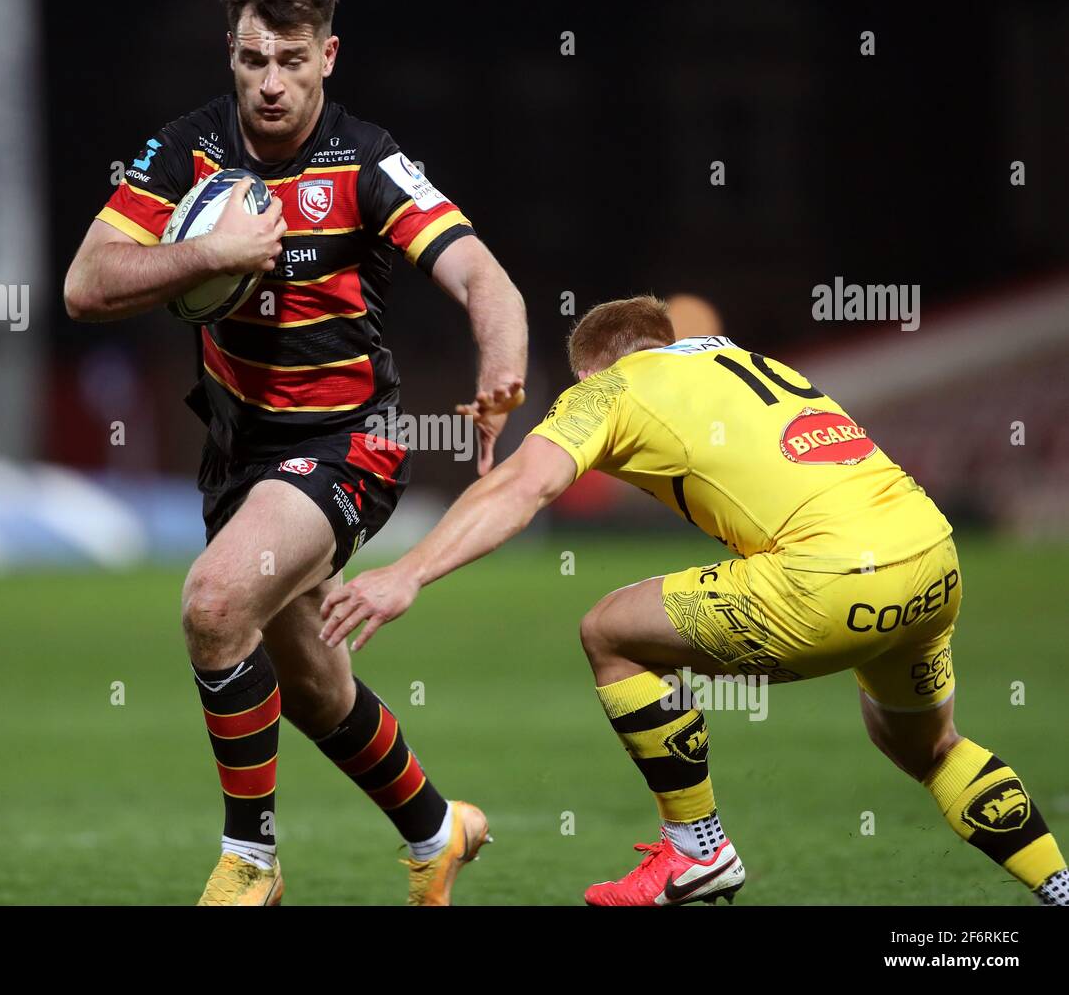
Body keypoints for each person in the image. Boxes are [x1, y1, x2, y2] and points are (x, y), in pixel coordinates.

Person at [320, 295, 1069, 907]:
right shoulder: (748, 362)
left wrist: (408, 571)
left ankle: (697, 853)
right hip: (931, 559)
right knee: (928, 746)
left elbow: (522, 487)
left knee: (609, 630)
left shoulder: (612, 389)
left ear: (597, 368)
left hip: (830, 581)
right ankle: (1058, 886)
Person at [63, 0, 527, 905]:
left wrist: (501, 369)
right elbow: (86, 284)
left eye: (290, 60)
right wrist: (216, 253)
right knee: (314, 686)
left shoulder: (367, 160)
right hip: (238, 454)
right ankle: (439, 831)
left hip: (345, 444)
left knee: (212, 604)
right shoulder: (185, 150)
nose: (269, 82)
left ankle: (253, 863)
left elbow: (488, 281)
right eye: (251, 59)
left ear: (327, 56)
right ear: (230, 56)